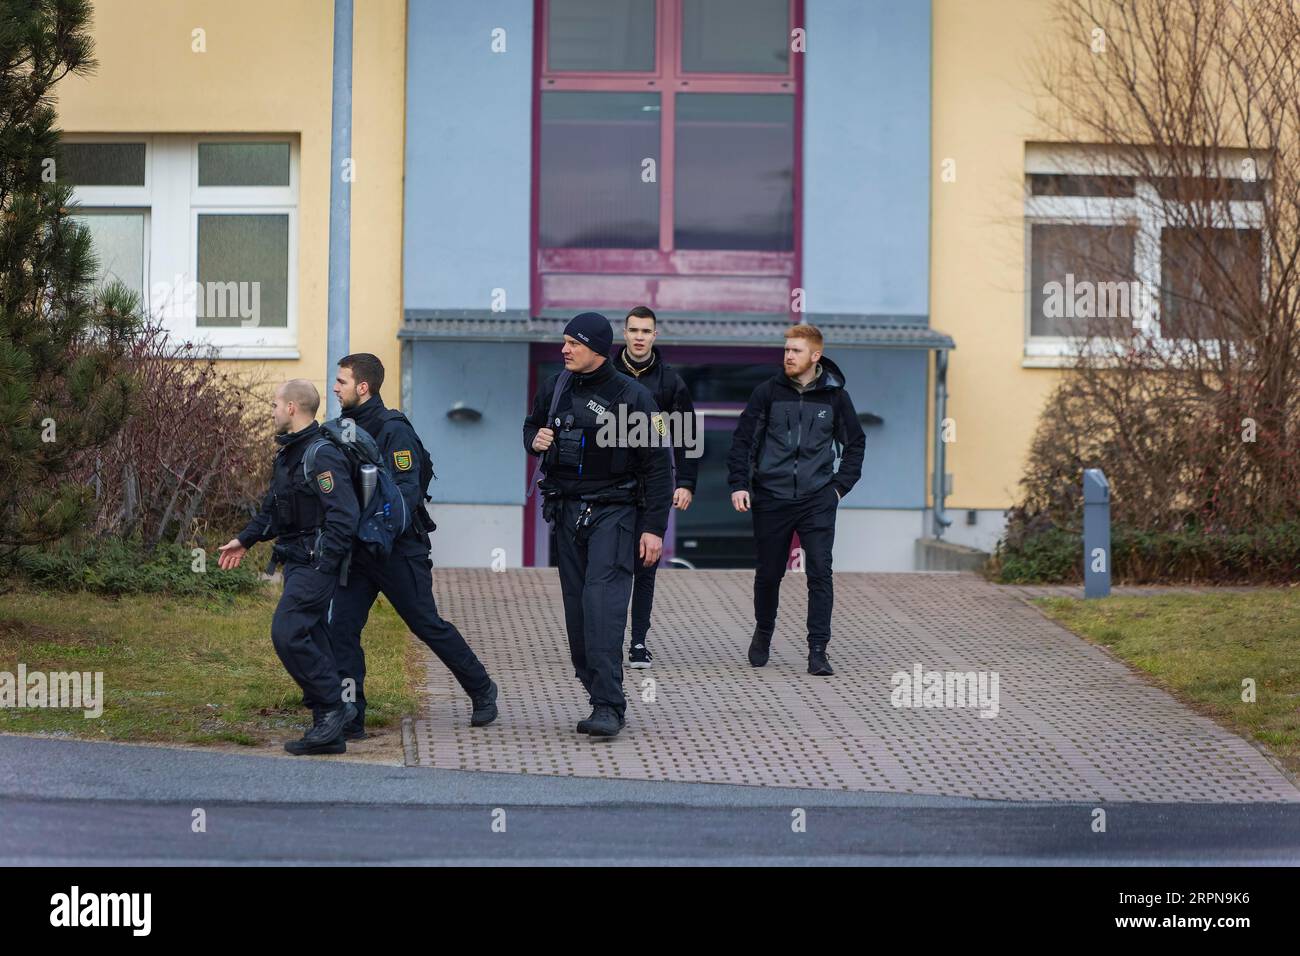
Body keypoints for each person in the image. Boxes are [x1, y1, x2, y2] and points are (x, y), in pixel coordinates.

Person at [329, 353, 498, 738]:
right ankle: (350, 715)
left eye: (341, 381)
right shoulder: (340, 428)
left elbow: (406, 492)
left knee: (426, 624)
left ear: (363, 387)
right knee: (341, 629)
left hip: (398, 550)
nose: (335, 388)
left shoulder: (394, 430)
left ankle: (482, 688)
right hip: (358, 552)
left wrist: (377, 532)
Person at [523, 312, 672, 737]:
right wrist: (534, 440)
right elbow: (531, 426)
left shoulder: (636, 397)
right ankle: (596, 692)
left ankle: (609, 705)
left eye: (574, 343)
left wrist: (654, 527)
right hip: (567, 512)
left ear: (597, 348)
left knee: (601, 606)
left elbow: (661, 467)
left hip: (616, 512)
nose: (565, 349)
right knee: (577, 611)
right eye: (564, 341)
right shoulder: (556, 387)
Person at [218, 380, 359, 755]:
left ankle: (333, 706)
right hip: (296, 558)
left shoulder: (321, 455)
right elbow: (272, 509)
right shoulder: (288, 454)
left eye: (276, 405)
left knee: (287, 632)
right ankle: (327, 727)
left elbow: (344, 515)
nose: (273, 411)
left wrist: (326, 562)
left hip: (316, 562)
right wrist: (245, 540)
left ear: (293, 408)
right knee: (312, 635)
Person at [726, 325, 866, 677]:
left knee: (820, 572)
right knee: (769, 573)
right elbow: (743, 441)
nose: (788, 355)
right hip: (771, 498)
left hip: (817, 498)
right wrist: (740, 484)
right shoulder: (767, 393)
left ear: (815, 356)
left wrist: (837, 489)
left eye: (796, 351)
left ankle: (818, 650)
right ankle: (764, 632)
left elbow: (855, 445)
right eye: (786, 349)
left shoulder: (835, 398)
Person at [611, 305, 698, 668]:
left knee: (645, 567)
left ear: (654, 335)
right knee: (610, 567)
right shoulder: (605, 373)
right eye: (634, 330)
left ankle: (639, 643)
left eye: (646, 331)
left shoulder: (670, 381)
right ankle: (607, 641)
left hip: (652, 488)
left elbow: (687, 436)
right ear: (625, 333)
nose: (640, 337)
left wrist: (687, 482)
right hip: (611, 486)